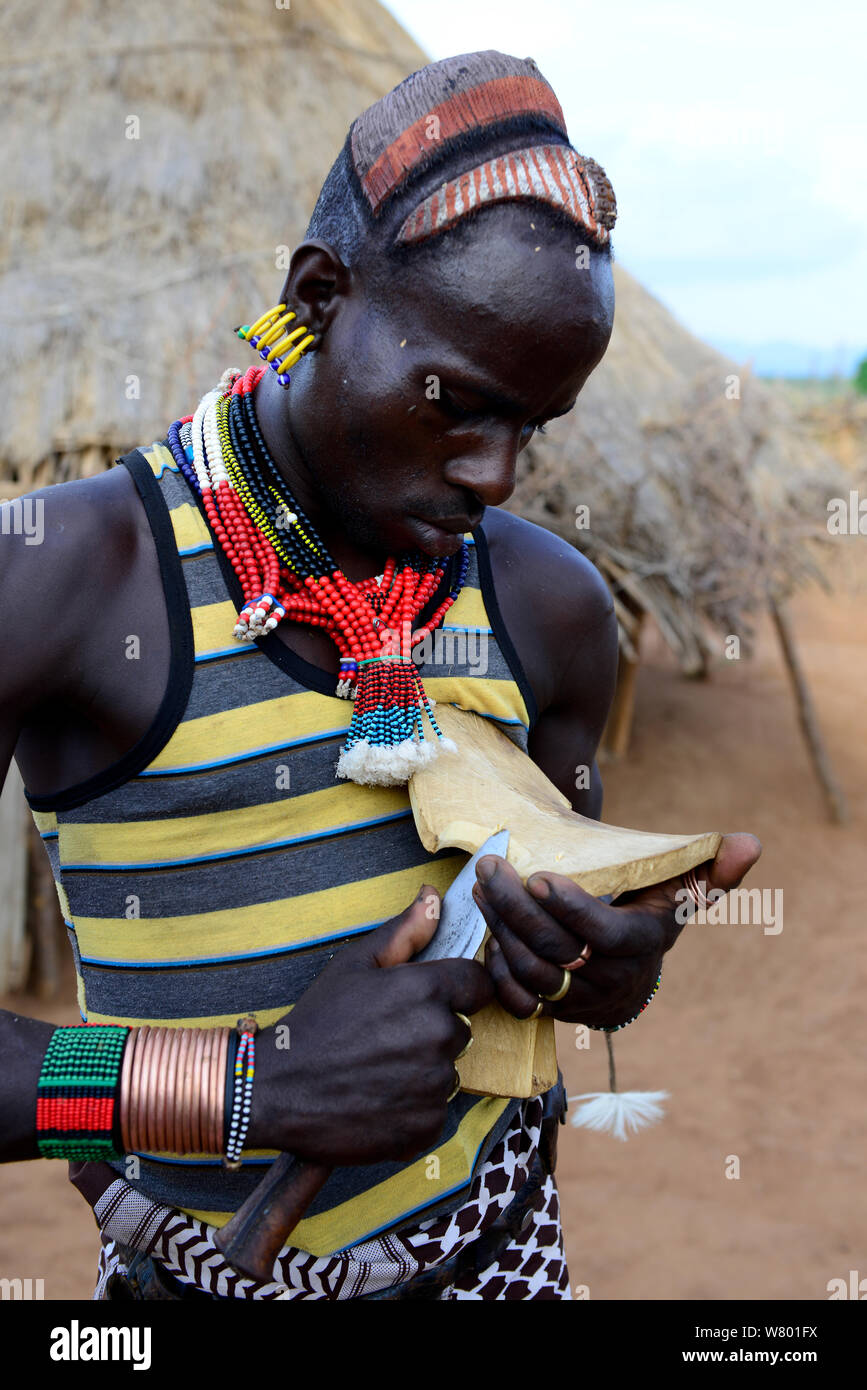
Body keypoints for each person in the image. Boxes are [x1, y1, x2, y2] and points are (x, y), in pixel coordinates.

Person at [0, 49, 760, 1300]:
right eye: (455, 401)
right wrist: (248, 1089)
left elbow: (569, 938)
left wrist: (608, 968)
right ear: (321, 292)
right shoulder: (68, 581)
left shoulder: (547, 606)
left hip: (498, 1254)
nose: (498, 476)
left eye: (533, 425)